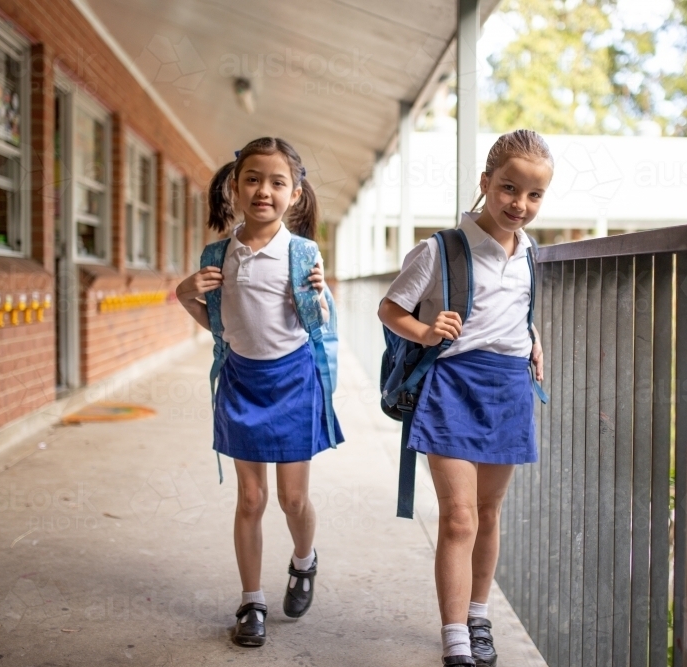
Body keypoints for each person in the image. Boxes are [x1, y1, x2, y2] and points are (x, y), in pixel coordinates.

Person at [377, 129, 554, 667]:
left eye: (533, 195)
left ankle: (479, 615)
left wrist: (533, 339)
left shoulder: (529, 254)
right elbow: (390, 309)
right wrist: (427, 333)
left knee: (489, 511)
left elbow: (512, 311)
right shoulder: (439, 250)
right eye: (508, 189)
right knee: (458, 518)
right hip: (451, 386)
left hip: (508, 389)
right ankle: (455, 634)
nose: (519, 205)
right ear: (485, 183)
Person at [176, 137, 344, 647]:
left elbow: (320, 322)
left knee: (293, 500)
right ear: (234, 186)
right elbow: (220, 326)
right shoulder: (217, 254)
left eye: (277, 182)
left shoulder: (302, 252)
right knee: (251, 498)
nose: (263, 191)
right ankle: (252, 602)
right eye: (252, 179)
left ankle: (304, 561)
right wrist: (186, 296)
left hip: (293, 381)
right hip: (241, 380)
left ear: (295, 194)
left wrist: (317, 293)